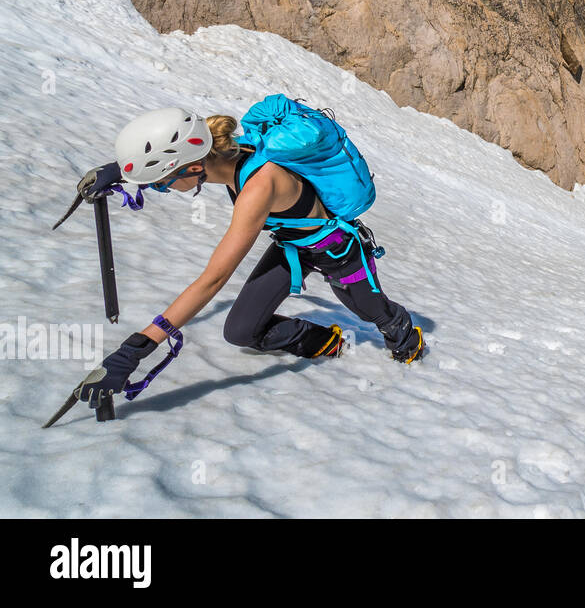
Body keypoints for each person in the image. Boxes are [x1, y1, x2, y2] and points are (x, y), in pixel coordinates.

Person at [76, 106, 425, 408]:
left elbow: (212, 280)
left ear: (192, 169)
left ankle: (405, 336)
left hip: (337, 250)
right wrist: (122, 171)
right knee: (241, 331)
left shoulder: (258, 188)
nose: (161, 190)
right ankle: (325, 342)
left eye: (161, 183)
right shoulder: (226, 153)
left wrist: (138, 347)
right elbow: (177, 155)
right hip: (291, 247)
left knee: (373, 312)